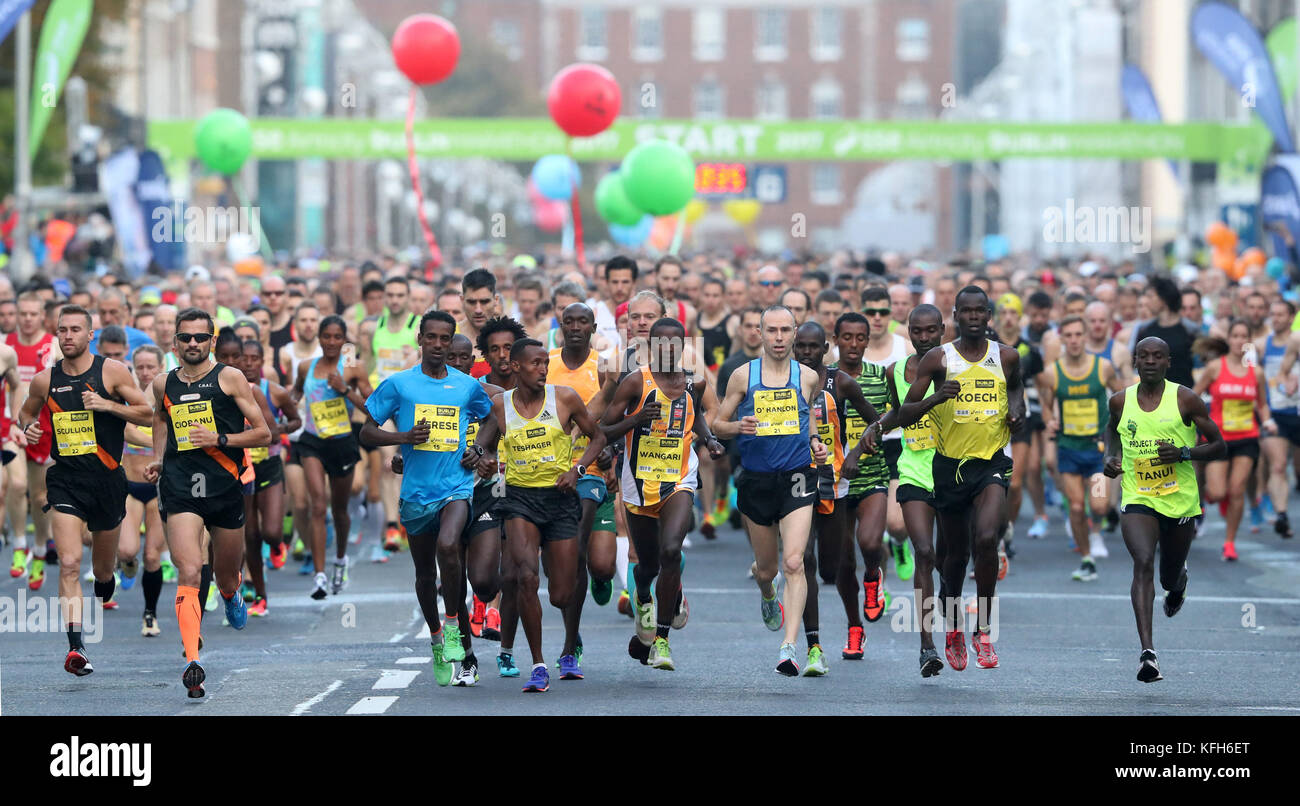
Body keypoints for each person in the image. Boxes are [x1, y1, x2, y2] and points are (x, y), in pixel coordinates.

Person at [17, 305, 153, 675]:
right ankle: (76, 648)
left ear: (90, 334)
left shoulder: (111, 371)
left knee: (102, 568)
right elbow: (26, 413)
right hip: (66, 480)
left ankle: (108, 579)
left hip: (107, 480)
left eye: (76, 329)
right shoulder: (46, 380)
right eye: (63, 330)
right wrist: (28, 427)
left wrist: (107, 405)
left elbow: (146, 413)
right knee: (71, 563)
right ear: (56, 334)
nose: (68, 336)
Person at [362, 310, 494, 688]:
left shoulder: (466, 386)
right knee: (424, 574)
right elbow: (366, 433)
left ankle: (453, 624)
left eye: (445, 339)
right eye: (432, 338)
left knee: (450, 546)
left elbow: (492, 419)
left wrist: (478, 449)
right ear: (420, 339)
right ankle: (437, 639)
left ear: (452, 341)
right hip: (416, 494)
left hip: (456, 487)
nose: (438, 345)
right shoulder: (399, 385)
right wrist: (403, 438)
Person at [897, 286, 1025, 671]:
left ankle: (983, 629)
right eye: (965, 311)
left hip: (991, 463)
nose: (973, 317)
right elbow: (905, 413)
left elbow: (1017, 390)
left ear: (989, 316)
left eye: (979, 311)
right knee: (953, 559)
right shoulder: (938, 359)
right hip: (949, 466)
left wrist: (1017, 412)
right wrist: (935, 399)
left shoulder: (1007, 357)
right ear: (955, 315)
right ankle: (953, 624)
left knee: (987, 537)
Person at [145, 308, 271, 697]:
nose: (193, 344)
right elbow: (160, 423)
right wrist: (157, 459)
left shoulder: (230, 378)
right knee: (189, 570)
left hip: (224, 488)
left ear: (212, 341)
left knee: (225, 576)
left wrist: (220, 440)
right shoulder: (162, 383)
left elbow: (264, 434)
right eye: (186, 338)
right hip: (180, 487)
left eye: (201, 337)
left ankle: (232, 595)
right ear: (175, 342)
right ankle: (192, 658)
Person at [469, 338, 606, 693]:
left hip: (559, 499)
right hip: (518, 500)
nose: (543, 369)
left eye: (546, 363)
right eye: (535, 363)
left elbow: (598, 438)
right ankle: (539, 664)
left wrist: (577, 469)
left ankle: (568, 640)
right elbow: (483, 444)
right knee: (526, 577)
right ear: (516, 367)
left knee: (561, 593)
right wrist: (481, 460)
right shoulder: (500, 406)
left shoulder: (564, 398)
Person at [601, 317, 723, 671]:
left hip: (679, 480)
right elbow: (605, 428)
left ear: (683, 346)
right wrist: (636, 419)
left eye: (675, 342)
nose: (668, 349)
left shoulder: (692, 381)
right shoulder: (634, 382)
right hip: (638, 484)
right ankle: (642, 598)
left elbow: (695, 415)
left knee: (671, 552)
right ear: (650, 347)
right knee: (648, 565)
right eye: (661, 343)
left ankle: (662, 640)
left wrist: (710, 439)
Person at [714, 305, 828, 676]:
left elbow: (807, 413)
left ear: (794, 334)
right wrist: (738, 427)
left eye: (785, 330)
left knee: (794, 562)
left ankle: (789, 647)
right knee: (767, 570)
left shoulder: (808, 376)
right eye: (772, 331)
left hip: (797, 477)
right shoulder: (743, 377)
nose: (779, 338)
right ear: (760, 334)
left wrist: (815, 442)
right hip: (756, 480)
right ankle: (767, 592)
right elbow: (716, 423)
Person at [1104, 336, 1226, 682]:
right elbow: (1111, 431)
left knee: (1168, 575)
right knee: (1142, 560)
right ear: (1135, 362)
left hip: (1179, 500)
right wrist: (1109, 459)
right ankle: (1148, 653)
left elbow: (1219, 447)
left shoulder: (1186, 399)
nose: (1151, 362)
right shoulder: (1119, 401)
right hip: (1138, 496)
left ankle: (1179, 582)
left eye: (1158, 356)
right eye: (1145, 356)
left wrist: (1184, 453)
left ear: (1168, 362)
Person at [792, 320, 883, 673]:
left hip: (834, 481)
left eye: (814, 347)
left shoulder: (840, 382)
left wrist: (857, 453)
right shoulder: (781, 380)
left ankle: (860, 597)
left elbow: (877, 422)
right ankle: (820, 639)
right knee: (803, 560)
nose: (807, 352)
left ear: (825, 349)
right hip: (795, 479)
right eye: (802, 346)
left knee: (837, 565)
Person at [868, 304, 952, 676]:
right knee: (924, 552)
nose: (923, 338)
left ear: (942, 330)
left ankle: (954, 627)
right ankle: (926, 647)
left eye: (930, 331)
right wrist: (871, 433)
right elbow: (898, 413)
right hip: (914, 470)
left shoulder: (959, 367)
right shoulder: (895, 372)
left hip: (955, 474)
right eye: (916, 332)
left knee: (952, 560)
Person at [547, 303, 621, 678]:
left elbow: (615, 417)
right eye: (568, 322)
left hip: (592, 471)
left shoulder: (604, 367)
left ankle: (599, 576)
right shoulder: (543, 363)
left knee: (602, 566)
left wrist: (607, 449)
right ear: (560, 325)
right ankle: (570, 643)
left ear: (594, 327)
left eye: (582, 322)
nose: (575, 328)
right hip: (549, 475)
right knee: (570, 558)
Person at [826, 312, 893, 656]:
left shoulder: (881, 377)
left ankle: (874, 574)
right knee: (841, 561)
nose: (853, 344)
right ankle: (854, 628)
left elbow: (887, 419)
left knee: (869, 543)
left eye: (860, 338)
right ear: (835, 339)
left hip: (871, 474)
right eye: (847, 337)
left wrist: (861, 445)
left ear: (868, 340)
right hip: (834, 482)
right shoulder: (823, 380)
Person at [292, 315, 371, 598]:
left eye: (338, 337)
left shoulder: (353, 369)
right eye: (327, 336)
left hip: (342, 443)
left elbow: (374, 407)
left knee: (339, 510)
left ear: (344, 340)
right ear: (319, 338)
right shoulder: (306, 367)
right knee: (317, 505)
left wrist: (345, 390)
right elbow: (296, 392)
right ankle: (320, 576)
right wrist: (288, 410)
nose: (332, 342)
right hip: (312, 441)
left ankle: (340, 560)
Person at [1040, 315, 1124, 581]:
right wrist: (1050, 421)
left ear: (1086, 337)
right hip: (1068, 449)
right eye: (1069, 335)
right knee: (1076, 507)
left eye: (1079, 335)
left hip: (1097, 452)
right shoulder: (1053, 372)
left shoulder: (1103, 367)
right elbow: (1045, 404)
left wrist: (1118, 428)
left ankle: (1096, 531)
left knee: (1098, 506)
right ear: (1062, 339)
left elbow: (1121, 397)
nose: (1074, 340)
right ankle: (1087, 558)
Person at [1193, 320, 1275, 561]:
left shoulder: (1255, 372)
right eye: (1235, 335)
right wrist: (1195, 421)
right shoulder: (1215, 367)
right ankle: (1214, 498)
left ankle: (1229, 543)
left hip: (1247, 437)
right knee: (1219, 493)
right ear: (1229, 339)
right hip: (1219, 438)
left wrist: (1268, 421)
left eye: (1244, 336)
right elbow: (1193, 396)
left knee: (1237, 489)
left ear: (1249, 341)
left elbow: (1262, 404)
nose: (1240, 340)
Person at [238, 338, 300, 612]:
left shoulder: (274, 392)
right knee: (250, 535)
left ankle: (277, 546)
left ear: (263, 362)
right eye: (244, 359)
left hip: (270, 464)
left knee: (272, 531)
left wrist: (278, 430)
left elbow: (297, 420)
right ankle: (261, 596)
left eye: (254, 359)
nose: (249, 363)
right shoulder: (230, 392)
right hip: (244, 468)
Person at [6, 291, 58, 591]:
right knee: (14, 485)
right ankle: (18, 545)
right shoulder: (5, 344)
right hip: (10, 427)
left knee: (40, 498)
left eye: (31, 314)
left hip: (43, 428)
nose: (26, 319)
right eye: (21, 313)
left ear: (42, 315)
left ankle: (39, 550)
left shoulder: (52, 346)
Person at [364, 276, 420, 553]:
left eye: (400, 295)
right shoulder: (377, 327)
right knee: (389, 462)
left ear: (408, 297)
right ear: (384, 297)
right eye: (391, 295)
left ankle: (407, 516)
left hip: (410, 402)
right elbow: (365, 363)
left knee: (409, 460)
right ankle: (390, 523)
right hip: (385, 400)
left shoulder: (417, 327)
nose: (395, 300)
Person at [118, 346, 170, 635]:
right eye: (141, 367)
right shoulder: (127, 397)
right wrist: (162, 443)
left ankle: (149, 614)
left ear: (162, 366)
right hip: (130, 484)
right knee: (127, 550)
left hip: (159, 486)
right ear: (133, 369)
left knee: (152, 556)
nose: (146, 372)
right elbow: (127, 431)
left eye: (151, 366)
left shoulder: (168, 395)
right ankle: (125, 562)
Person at [1258, 299, 1298, 538]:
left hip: (1297, 412)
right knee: (1279, 465)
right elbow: (1247, 371)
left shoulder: (1297, 341)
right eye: (1273, 314)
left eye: (1281, 315)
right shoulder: (1261, 345)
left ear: (1292, 317)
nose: (1276, 319)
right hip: (1275, 415)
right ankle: (1281, 514)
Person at [461, 269, 500, 377]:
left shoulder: (511, 339)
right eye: (472, 302)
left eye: (484, 302)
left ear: (496, 300)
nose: (478, 310)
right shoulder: (446, 337)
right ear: (462, 300)